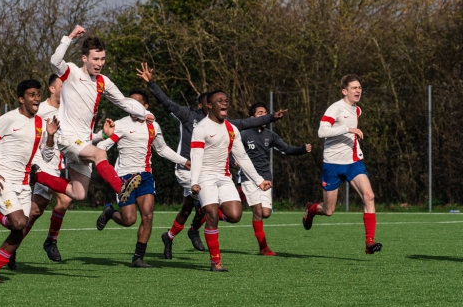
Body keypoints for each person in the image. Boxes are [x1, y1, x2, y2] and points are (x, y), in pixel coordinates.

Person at [135, 63, 284, 260]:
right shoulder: (189, 117)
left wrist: (271, 117)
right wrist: (152, 85)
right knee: (204, 208)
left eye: (222, 101)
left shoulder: (224, 123)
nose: (216, 105)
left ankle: (171, 235)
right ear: (203, 105)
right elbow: (167, 103)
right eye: (211, 102)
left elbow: (246, 123)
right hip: (187, 170)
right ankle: (202, 238)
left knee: (191, 207)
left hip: (213, 173)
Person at [32, 27, 150, 206]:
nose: (99, 63)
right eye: (95, 59)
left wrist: (146, 113)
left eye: (102, 59)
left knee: (78, 193)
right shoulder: (71, 73)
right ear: (84, 58)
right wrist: (70, 37)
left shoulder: (103, 81)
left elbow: (124, 102)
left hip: (83, 143)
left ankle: (37, 175)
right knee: (100, 153)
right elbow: (55, 60)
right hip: (67, 138)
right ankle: (121, 187)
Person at [94, 88, 189, 267]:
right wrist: (96, 153)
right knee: (129, 220)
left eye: (136, 104)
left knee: (148, 216)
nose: (132, 107)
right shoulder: (120, 124)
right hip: (123, 178)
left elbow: (161, 149)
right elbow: (103, 145)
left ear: (146, 106)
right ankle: (109, 212)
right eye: (129, 104)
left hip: (145, 176)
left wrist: (185, 162)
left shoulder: (153, 125)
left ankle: (138, 258)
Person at [0, 79, 58, 282]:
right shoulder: (8, 118)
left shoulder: (41, 123)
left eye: (38, 95)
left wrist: (50, 137)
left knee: (19, 229)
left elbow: (47, 156)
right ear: (21, 99)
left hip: (24, 184)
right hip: (2, 180)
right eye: (32, 95)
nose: (37, 98)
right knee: (19, 222)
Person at [190, 90, 272, 272]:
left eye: (226, 100)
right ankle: (215, 262)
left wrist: (259, 180)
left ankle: (205, 209)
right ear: (210, 105)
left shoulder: (231, 129)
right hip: (204, 176)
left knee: (235, 216)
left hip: (224, 176)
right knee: (212, 216)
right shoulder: (201, 128)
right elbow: (196, 156)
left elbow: (242, 158)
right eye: (219, 101)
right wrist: (194, 182)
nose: (224, 103)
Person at [303, 74, 382, 255]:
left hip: (353, 162)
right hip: (332, 164)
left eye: (360, 87)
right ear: (344, 91)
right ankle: (311, 210)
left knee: (369, 196)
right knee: (329, 210)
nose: (358, 90)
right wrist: (348, 129)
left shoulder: (357, 110)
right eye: (354, 88)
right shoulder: (335, 108)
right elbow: (322, 131)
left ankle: (369, 242)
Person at [236, 102, 311, 255]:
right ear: (252, 117)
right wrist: (233, 162)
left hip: (265, 178)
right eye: (260, 113)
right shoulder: (243, 134)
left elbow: (287, 149)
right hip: (248, 177)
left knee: (265, 213)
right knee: (257, 211)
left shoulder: (270, 135)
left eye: (265, 112)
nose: (263, 115)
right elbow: (230, 150)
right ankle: (263, 248)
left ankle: (237, 196)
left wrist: (302, 149)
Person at [11, 72, 71, 263]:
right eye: (63, 86)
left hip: (54, 165)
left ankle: (10, 249)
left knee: (35, 211)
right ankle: (51, 241)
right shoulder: (40, 109)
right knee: (65, 198)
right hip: (39, 165)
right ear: (52, 89)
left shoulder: (69, 111)